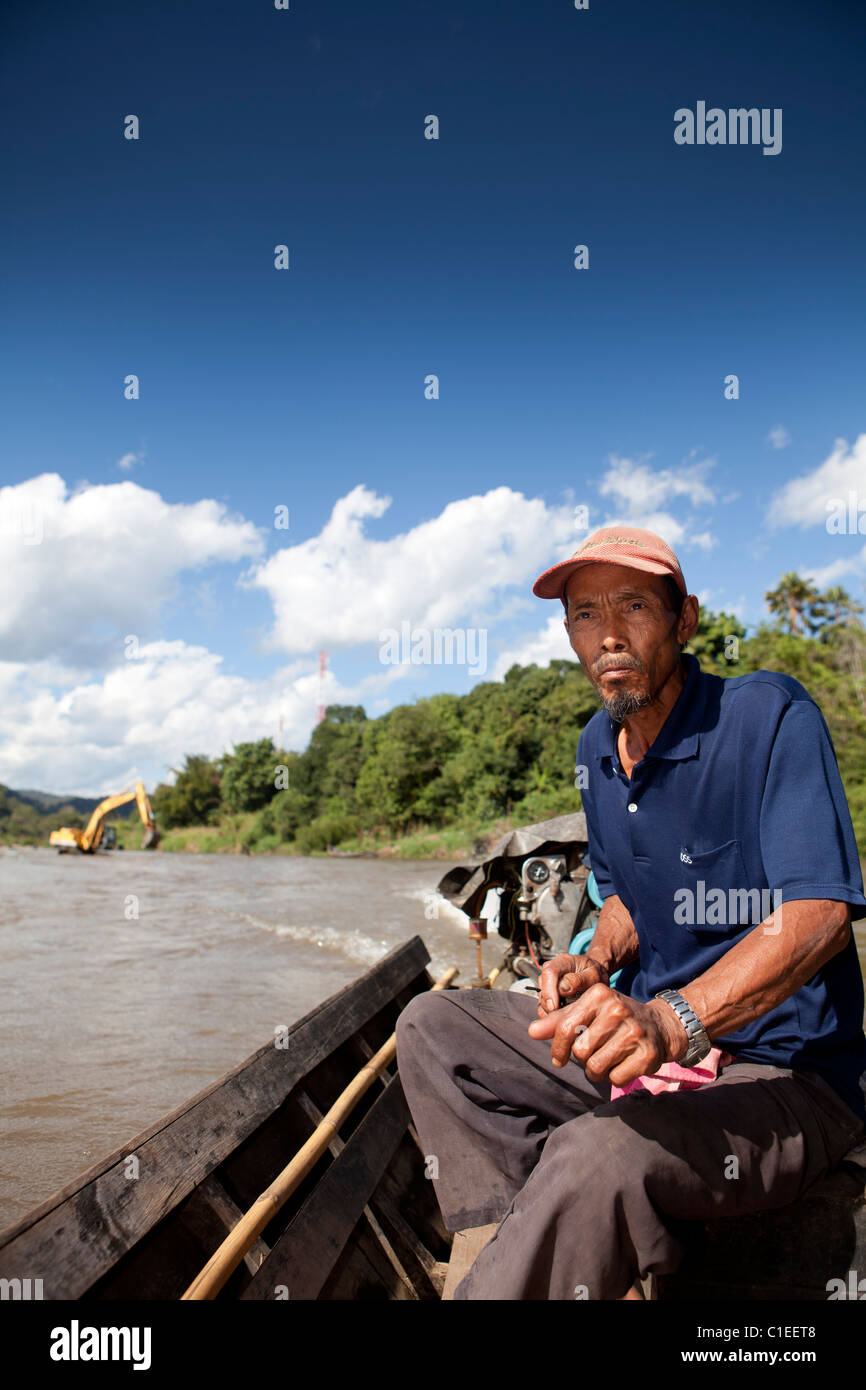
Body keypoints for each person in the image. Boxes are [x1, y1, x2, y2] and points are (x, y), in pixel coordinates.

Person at [395, 525, 866, 1300]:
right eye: (585, 614)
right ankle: (527, 1247)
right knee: (431, 1029)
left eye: (634, 605)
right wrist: (595, 957)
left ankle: (574, 1225)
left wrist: (669, 1022)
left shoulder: (767, 717)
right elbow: (622, 898)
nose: (608, 634)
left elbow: (817, 915)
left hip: (782, 1075)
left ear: (684, 621)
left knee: (597, 1155)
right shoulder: (595, 749)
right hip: (653, 1059)